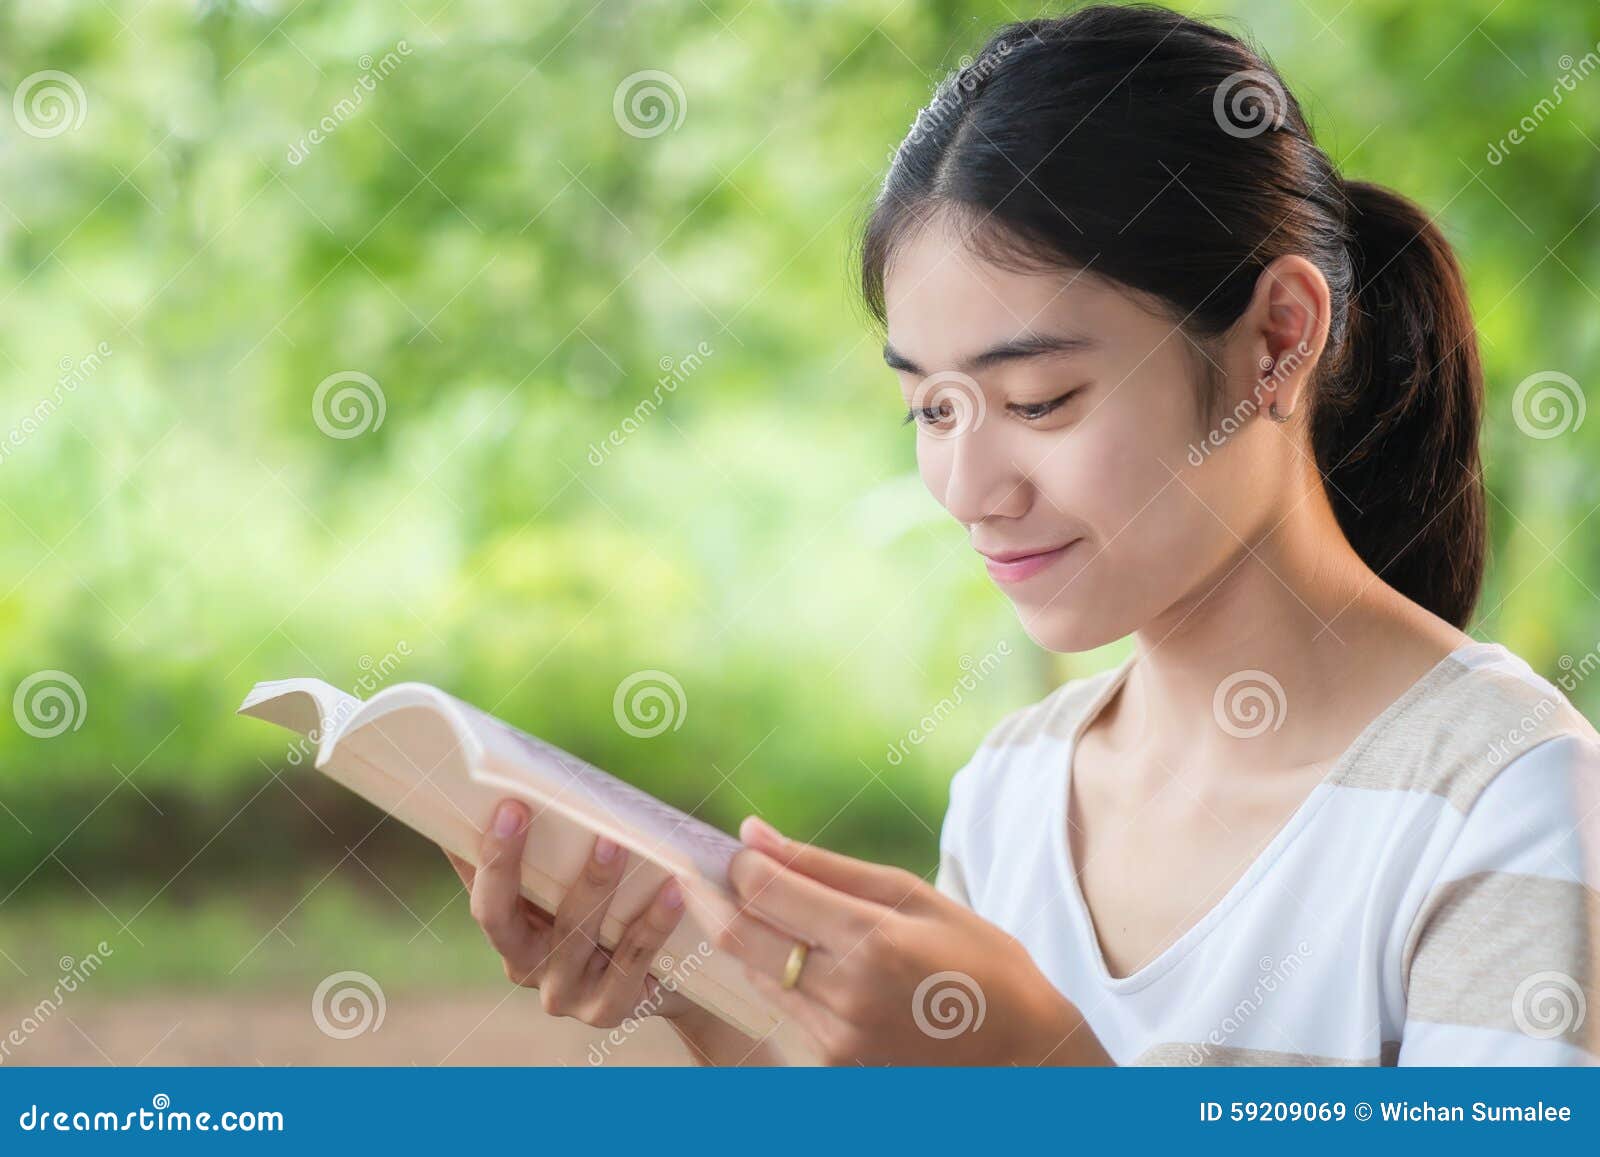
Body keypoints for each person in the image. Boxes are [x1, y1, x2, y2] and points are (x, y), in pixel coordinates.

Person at [449, 4, 1599, 1066]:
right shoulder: (1017, 786)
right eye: (930, 409)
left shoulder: (1504, 796)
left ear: (1276, 342)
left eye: (1041, 399)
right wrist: (712, 998)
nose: (966, 486)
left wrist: (1042, 1067)